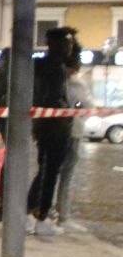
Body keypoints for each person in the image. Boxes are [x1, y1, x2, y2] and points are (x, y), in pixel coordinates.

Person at [27, 27, 78, 237]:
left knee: (44, 171)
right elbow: (54, 98)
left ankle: (32, 212)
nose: (70, 47)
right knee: (50, 173)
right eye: (67, 43)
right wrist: (67, 112)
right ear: (61, 45)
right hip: (56, 127)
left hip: (42, 125)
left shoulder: (42, 66)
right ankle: (42, 217)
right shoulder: (56, 69)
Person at [54, 55, 91, 229]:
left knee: (50, 173)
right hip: (71, 131)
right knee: (66, 175)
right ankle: (62, 215)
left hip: (52, 131)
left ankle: (48, 211)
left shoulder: (52, 81)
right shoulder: (77, 84)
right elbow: (88, 105)